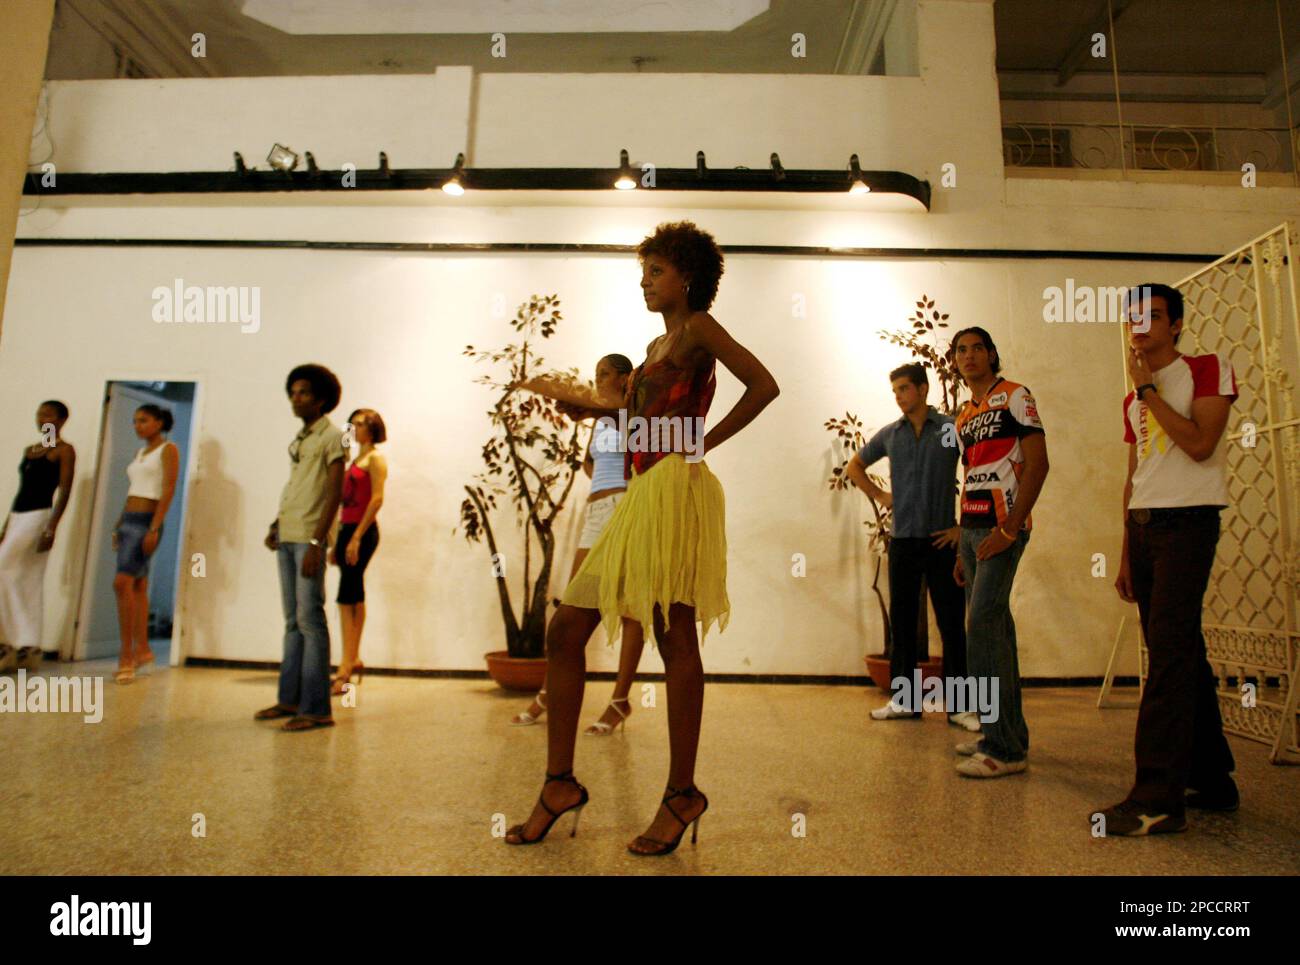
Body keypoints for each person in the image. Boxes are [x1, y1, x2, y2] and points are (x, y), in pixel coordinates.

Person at [505, 221, 779, 854]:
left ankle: (681, 793)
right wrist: (578, 402)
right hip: (642, 494)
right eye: (642, 272)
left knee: (673, 634)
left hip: (675, 493)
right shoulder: (656, 346)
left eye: (655, 271)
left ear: (686, 275)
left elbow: (763, 385)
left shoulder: (699, 330)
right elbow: (637, 423)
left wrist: (702, 443)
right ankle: (559, 782)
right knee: (566, 630)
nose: (644, 282)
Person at [1097, 283, 1238, 836]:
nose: (1141, 325)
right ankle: (1212, 779)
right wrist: (1126, 550)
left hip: (1189, 523)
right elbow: (1136, 475)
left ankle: (1157, 797)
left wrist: (1149, 388)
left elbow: (1200, 443)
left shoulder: (1206, 369)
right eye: (1133, 316)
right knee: (1179, 651)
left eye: (1153, 315)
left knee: (1170, 658)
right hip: (1147, 526)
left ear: (1175, 324)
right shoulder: (1134, 400)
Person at [510, 355, 648, 736]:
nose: (598, 379)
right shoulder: (602, 417)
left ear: (625, 378)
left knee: (631, 608)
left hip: (625, 507)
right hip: (597, 510)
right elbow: (590, 463)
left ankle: (619, 700)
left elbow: (638, 451)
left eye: (605, 374)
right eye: (596, 374)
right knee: (572, 607)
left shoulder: (631, 409)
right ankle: (551, 691)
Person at [845, 363, 975, 730]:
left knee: (951, 625)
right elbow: (854, 467)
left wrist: (962, 528)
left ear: (922, 389)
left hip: (940, 540)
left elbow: (978, 470)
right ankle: (905, 702)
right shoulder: (891, 435)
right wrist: (880, 495)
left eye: (904, 388)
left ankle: (961, 708)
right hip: (902, 542)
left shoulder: (950, 429)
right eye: (895, 391)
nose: (900, 396)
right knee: (902, 626)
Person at [950, 327, 1049, 777]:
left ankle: (1003, 751)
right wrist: (959, 544)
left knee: (982, 627)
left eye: (976, 348)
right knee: (996, 630)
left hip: (1001, 529)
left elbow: (1038, 463)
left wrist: (1010, 529)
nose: (969, 356)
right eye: (961, 350)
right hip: (970, 530)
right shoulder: (963, 415)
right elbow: (971, 475)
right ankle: (1007, 735)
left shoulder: (1014, 395)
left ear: (991, 354)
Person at [255, 364, 345, 731]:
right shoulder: (303, 438)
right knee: (292, 621)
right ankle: (289, 700)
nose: (296, 398)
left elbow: (334, 493)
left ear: (322, 398)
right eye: (293, 392)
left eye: (304, 392)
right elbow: (297, 486)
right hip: (288, 534)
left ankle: (317, 708)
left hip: (308, 537)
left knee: (310, 621)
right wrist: (277, 523)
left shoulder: (334, 437)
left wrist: (315, 542)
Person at [0, 400, 76, 672]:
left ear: (61, 421)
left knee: (6, 570)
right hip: (19, 515)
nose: (43, 418)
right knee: (24, 576)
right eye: (40, 413)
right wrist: (6, 525)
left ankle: (13, 639)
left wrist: (51, 526)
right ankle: (25, 642)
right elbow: (21, 489)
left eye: (49, 414)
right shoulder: (29, 451)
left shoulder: (64, 451)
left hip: (39, 516)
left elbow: (65, 490)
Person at [110, 404, 180, 684]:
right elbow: (133, 489)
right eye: (135, 421)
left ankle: (126, 654)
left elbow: (169, 488)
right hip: (128, 518)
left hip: (146, 521)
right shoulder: (140, 453)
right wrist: (118, 524)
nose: (138, 425)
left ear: (159, 422)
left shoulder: (168, 450)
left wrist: (154, 526)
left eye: (144, 420)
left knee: (121, 583)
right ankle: (143, 651)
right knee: (137, 586)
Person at [331, 408, 387, 697]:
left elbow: (377, 499)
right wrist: (337, 540)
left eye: (359, 423)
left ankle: (345, 666)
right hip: (346, 530)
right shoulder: (355, 459)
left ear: (372, 428)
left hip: (362, 532)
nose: (353, 427)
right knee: (351, 594)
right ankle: (351, 658)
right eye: (351, 423)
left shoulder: (375, 459)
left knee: (347, 594)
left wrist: (355, 537)